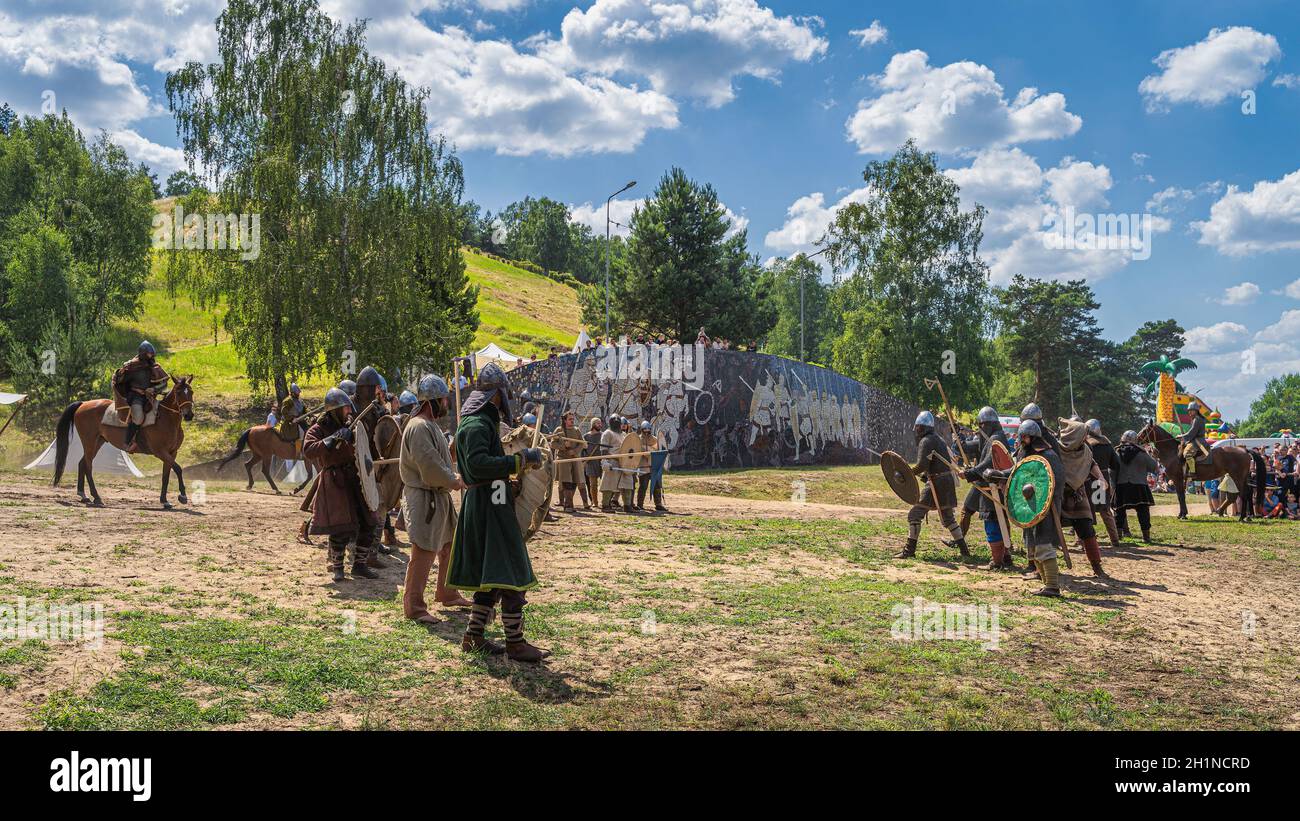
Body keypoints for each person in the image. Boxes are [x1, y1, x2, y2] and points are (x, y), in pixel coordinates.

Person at [447, 362, 549, 662]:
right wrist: (518, 461)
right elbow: (479, 466)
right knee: (510, 570)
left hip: (488, 499)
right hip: (490, 505)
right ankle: (515, 643)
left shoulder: (474, 422)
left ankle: (474, 635)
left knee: (491, 574)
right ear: (495, 395)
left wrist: (510, 478)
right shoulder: (478, 424)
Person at [398, 375, 472, 623]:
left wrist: (454, 472)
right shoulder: (418, 426)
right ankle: (414, 606)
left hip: (438, 497)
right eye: (443, 400)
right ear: (431, 402)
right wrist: (453, 480)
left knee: (450, 545)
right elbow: (429, 466)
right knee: (424, 550)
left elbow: (441, 459)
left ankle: (447, 592)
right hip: (425, 497)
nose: (446, 404)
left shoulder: (431, 426)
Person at [302, 387, 379, 582]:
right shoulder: (318, 429)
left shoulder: (352, 426)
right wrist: (332, 438)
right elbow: (309, 450)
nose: (349, 411)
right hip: (335, 481)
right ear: (335, 409)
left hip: (355, 479)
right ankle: (338, 567)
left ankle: (359, 565)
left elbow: (364, 451)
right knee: (341, 528)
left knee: (369, 521)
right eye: (345, 408)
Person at [1001, 420, 1066, 596]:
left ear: (1032, 437)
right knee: (1034, 547)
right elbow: (1018, 471)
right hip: (1031, 506)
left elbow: (1058, 480)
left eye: (1024, 437)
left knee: (1044, 544)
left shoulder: (1048, 454)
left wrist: (1046, 499)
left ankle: (1052, 586)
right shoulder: (1027, 453)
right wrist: (999, 474)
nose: (1021, 440)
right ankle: (1047, 584)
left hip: (1045, 506)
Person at [896, 411, 968, 559]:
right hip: (946, 481)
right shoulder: (937, 439)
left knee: (915, 514)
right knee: (948, 518)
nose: (916, 431)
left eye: (917, 428)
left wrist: (907, 472)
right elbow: (934, 464)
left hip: (937, 483)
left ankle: (909, 550)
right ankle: (964, 550)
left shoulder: (926, 441)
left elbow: (922, 465)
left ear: (921, 428)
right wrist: (923, 476)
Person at [961, 406, 1015, 570]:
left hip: (993, 488)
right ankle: (1005, 557)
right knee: (999, 523)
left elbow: (988, 464)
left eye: (983, 425)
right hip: (993, 488)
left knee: (992, 524)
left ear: (990, 424)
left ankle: (997, 561)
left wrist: (970, 474)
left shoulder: (996, 439)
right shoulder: (995, 437)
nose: (981, 428)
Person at [1055, 418, 1108, 578]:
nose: (1086, 438)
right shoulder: (1056, 449)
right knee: (1048, 530)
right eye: (1083, 435)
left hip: (1078, 493)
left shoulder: (1086, 450)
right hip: (1058, 494)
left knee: (1087, 530)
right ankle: (1041, 567)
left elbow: (1092, 464)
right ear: (1075, 436)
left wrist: (1101, 479)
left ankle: (1097, 567)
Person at [112, 341, 170, 453]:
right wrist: (121, 372)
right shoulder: (132, 366)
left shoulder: (154, 366)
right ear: (143, 354)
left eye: (152, 354)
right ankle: (127, 442)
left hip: (151, 397)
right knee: (138, 418)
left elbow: (164, 384)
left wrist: (154, 389)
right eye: (149, 354)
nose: (152, 356)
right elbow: (119, 381)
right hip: (135, 397)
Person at [1114, 430, 1158, 543]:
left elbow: (1112, 471)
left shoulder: (1116, 452)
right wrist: (1154, 456)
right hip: (1139, 486)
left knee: (1119, 512)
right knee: (1143, 512)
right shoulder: (1142, 453)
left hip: (1121, 485)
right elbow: (1153, 467)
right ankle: (1146, 538)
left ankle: (1118, 537)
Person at [1085, 418, 1122, 547]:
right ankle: (1114, 539)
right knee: (1105, 510)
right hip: (1102, 479)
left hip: (1088, 479)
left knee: (1086, 511)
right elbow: (1116, 464)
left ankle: (1084, 540)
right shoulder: (1107, 444)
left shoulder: (1085, 444)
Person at [552, 411, 585, 514]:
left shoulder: (576, 430)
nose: (572, 421)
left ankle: (569, 503)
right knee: (566, 482)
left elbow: (582, 444)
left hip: (574, 458)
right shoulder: (559, 430)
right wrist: (563, 446)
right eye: (570, 419)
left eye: (573, 419)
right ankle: (567, 505)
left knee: (574, 482)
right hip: (563, 459)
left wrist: (574, 451)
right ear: (565, 420)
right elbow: (553, 444)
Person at [1178, 401, 1209, 480]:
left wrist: (1181, 436)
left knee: (1186, 453)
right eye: (1189, 411)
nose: (1189, 412)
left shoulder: (1197, 419)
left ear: (1196, 411)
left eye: (1191, 410)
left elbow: (1191, 433)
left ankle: (1192, 472)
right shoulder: (1196, 419)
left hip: (1198, 441)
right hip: (1195, 439)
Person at [599, 414, 624, 512]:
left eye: (618, 419)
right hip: (611, 461)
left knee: (618, 485)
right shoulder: (607, 433)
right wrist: (605, 461)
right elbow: (604, 449)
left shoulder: (623, 434)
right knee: (608, 484)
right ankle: (605, 505)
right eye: (614, 419)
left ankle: (612, 503)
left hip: (621, 462)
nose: (616, 421)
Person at [277, 383, 307, 455]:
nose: (298, 394)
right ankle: (298, 452)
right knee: (301, 433)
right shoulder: (287, 401)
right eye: (297, 393)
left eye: (298, 393)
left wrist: (309, 414)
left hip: (300, 420)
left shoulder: (300, 400)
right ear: (293, 393)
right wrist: (292, 419)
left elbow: (305, 409)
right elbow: (284, 412)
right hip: (290, 423)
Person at [583, 417, 604, 510]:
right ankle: (595, 502)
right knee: (593, 484)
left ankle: (605, 502)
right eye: (597, 423)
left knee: (604, 483)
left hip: (602, 461)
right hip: (591, 462)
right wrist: (585, 458)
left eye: (600, 423)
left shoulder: (603, 435)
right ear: (593, 425)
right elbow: (583, 449)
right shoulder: (586, 436)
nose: (600, 425)